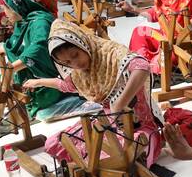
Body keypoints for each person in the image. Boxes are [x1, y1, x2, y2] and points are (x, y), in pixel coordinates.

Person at [38, 21, 164, 163]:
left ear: (82, 43)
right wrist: (38, 82)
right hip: (108, 122)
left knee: (127, 154)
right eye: (67, 63)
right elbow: (66, 86)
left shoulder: (109, 52)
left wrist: (119, 103)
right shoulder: (80, 72)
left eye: (75, 55)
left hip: (138, 126)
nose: (75, 64)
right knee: (56, 143)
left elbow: (142, 66)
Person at [0, 0, 87, 120]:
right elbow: (13, 44)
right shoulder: (23, 22)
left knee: (40, 106)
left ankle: (75, 101)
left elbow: (38, 48)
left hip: (52, 75)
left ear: (15, 7)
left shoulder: (40, 22)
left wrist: (11, 70)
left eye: (5, 9)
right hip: (33, 73)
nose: (5, 13)